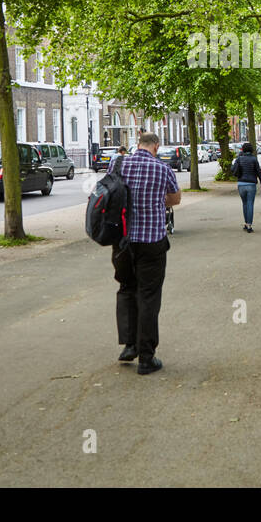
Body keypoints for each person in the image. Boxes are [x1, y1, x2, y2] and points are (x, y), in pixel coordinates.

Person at [111, 133, 181, 375]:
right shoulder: (162, 168)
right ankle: (146, 357)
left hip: (122, 242)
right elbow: (175, 199)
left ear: (137, 145)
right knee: (148, 296)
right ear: (156, 146)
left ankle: (129, 345)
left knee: (126, 289)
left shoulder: (117, 163)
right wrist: (156, 200)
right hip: (151, 242)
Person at [231, 142, 261, 232]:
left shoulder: (239, 159)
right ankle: (249, 225)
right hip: (251, 184)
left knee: (244, 203)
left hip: (241, 184)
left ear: (243, 149)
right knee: (250, 204)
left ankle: (245, 222)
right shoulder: (254, 159)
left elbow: (233, 169)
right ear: (251, 150)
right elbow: (258, 172)